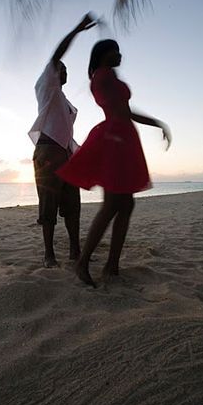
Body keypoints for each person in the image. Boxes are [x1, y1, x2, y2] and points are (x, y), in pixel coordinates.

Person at [57, 39, 171, 286]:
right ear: (104, 54)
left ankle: (112, 264)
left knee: (126, 205)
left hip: (126, 138)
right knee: (111, 205)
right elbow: (114, 108)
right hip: (114, 140)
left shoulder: (110, 78)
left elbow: (127, 111)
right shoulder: (100, 76)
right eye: (115, 50)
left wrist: (157, 124)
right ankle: (82, 262)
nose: (120, 54)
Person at [28, 14, 97, 267]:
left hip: (66, 154)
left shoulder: (62, 100)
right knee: (48, 205)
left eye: (66, 69)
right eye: (62, 68)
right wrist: (77, 29)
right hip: (48, 153)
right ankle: (49, 255)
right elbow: (57, 55)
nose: (65, 70)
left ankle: (75, 250)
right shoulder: (46, 85)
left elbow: (67, 132)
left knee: (72, 204)